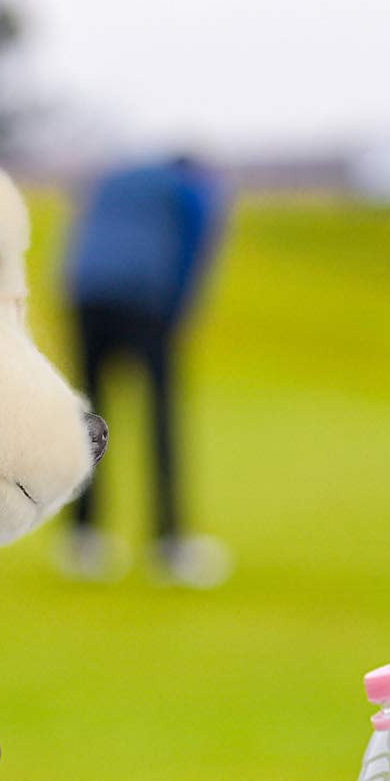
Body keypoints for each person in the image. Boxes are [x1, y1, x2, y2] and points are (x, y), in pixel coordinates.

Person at [62, 153, 230, 586]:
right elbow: (195, 250)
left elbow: (82, 232)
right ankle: (169, 543)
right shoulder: (192, 188)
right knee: (161, 417)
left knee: (89, 418)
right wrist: (177, 316)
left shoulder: (113, 176)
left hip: (84, 292)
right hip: (142, 297)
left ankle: (83, 540)